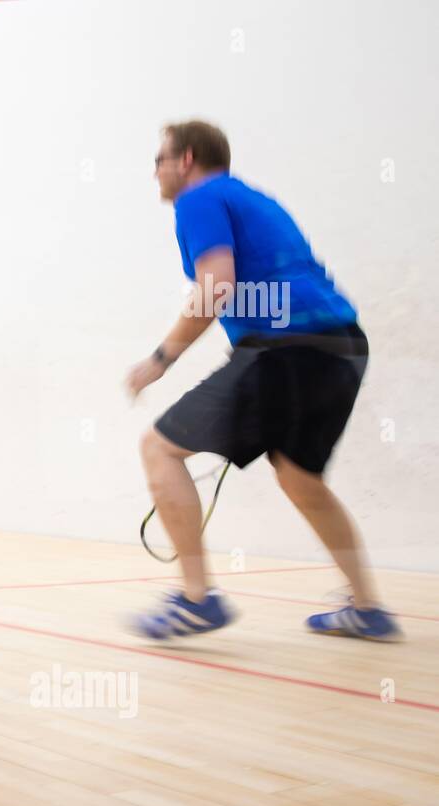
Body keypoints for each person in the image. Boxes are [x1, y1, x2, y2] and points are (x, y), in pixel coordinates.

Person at [126, 120, 399, 643]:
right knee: (301, 479)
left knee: (159, 449)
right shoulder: (253, 198)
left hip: (287, 349)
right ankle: (367, 608)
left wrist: (160, 360)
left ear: (185, 160)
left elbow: (216, 286)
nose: (155, 172)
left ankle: (196, 600)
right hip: (342, 347)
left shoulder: (199, 198)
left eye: (159, 160)